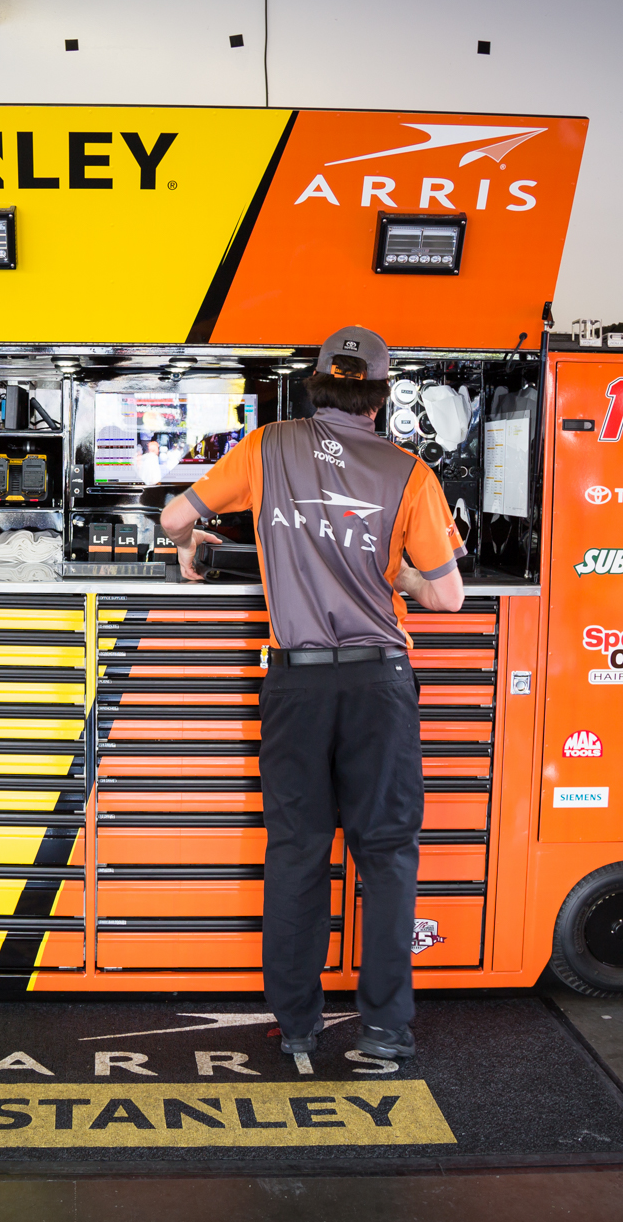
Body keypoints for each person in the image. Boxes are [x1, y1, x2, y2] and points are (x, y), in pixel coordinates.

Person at [158, 325, 464, 1064]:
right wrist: (401, 575)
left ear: (317, 382)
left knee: (297, 854)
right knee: (386, 856)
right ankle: (385, 1030)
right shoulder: (409, 472)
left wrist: (190, 546)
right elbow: (448, 596)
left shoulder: (268, 446)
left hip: (296, 682)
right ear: (380, 395)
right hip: (378, 684)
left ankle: (297, 1024)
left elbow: (175, 516)